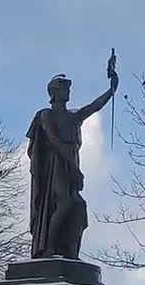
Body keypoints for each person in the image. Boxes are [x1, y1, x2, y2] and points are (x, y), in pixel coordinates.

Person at [26, 55, 118, 260]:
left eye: (67, 88)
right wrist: (74, 169)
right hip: (56, 165)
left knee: (78, 206)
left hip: (70, 162)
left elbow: (93, 107)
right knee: (65, 202)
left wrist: (111, 90)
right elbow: (54, 141)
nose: (67, 91)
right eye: (62, 88)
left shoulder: (73, 116)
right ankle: (47, 249)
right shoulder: (46, 115)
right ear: (53, 92)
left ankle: (68, 249)